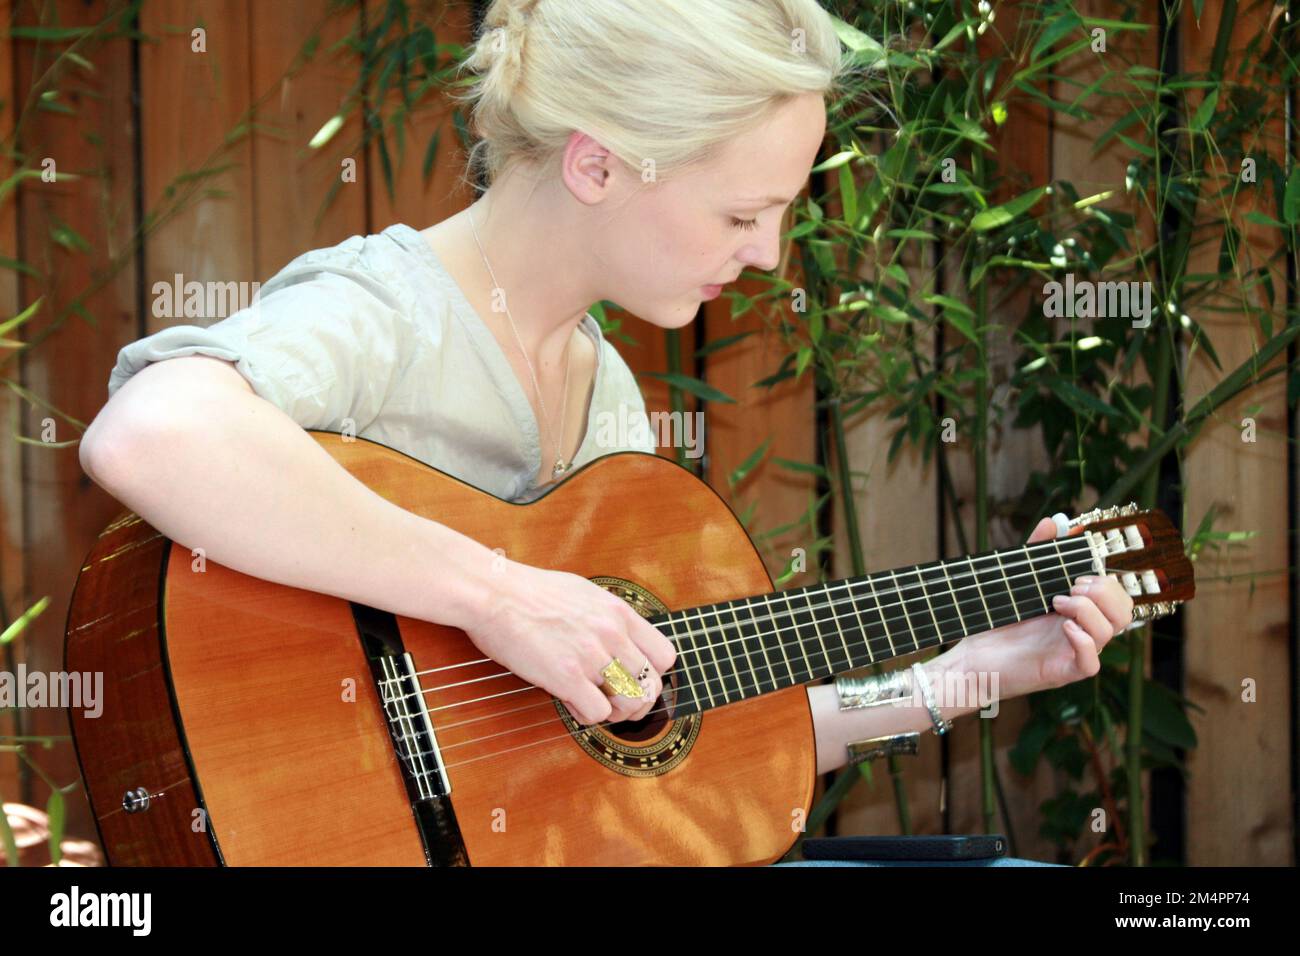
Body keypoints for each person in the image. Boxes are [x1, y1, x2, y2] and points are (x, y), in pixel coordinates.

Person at [78, 0, 1131, 866]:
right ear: (596, 166)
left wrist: (970, 674)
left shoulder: (606, 391)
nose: (767, 255)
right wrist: (498, 595)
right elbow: (152, 430)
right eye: (738, 213)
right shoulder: (389, 310)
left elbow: (674, 732)